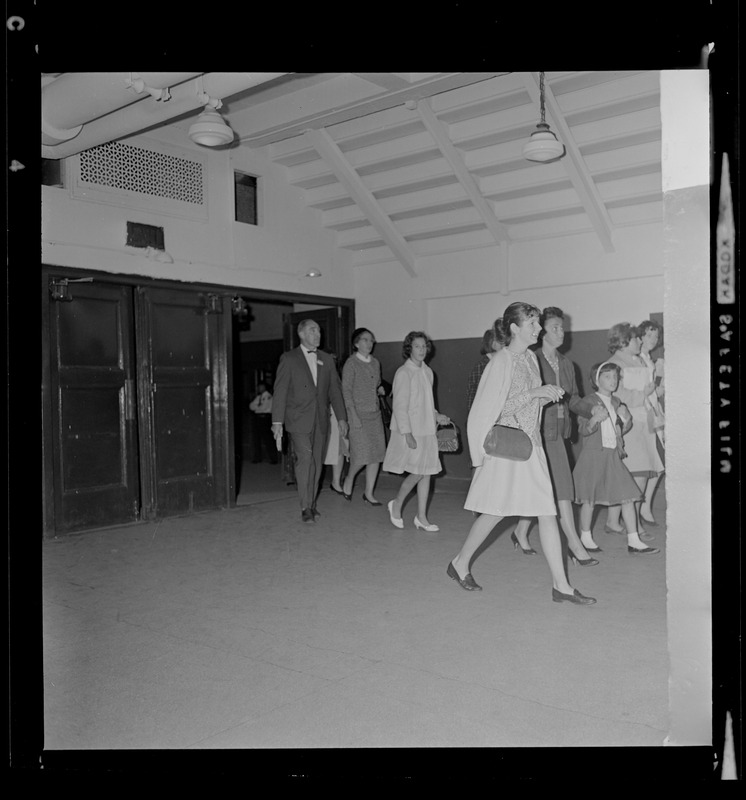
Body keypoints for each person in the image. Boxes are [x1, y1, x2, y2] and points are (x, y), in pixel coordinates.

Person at [448, 302, 595, 605]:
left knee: (547, 511)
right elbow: (492, 409)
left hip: (533, 447)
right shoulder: (501, 361)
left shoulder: (530, 358)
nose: (538, 329)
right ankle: (459, 563)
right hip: (509, 449)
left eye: (539, 324)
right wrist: (535, 393)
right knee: (493, 512)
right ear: (515, 328)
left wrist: (545, 396)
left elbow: (526, 404)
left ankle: (561, 586)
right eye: (533, 324)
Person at [511, 307, 597, 565]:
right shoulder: (530, 359)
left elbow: (574, 400)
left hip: (558, 435)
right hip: (537, 434)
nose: (562, 332)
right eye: (555, 327)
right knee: (547, 489)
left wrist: (592, 408)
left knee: (560, 489)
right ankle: (573, 543)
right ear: (542, 331)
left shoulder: (567, 364)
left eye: (563, 327)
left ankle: (526, 532)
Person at [572, 362, 659, 555]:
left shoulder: (617, 402)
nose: (613, 381)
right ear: (597, 380)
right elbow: (583, 429)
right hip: (593, 456)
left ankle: (634, 541)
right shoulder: (588, 401)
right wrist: (594, 419)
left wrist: (626, 419)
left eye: (615, 377)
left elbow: (621, 429)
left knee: (628, 496)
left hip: (613, 455)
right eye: (607, 377)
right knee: (589, 499)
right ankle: (585, 538)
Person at [271, 319, 348, 524]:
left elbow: (335, 391)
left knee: (316, 462)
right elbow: (280, 392)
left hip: (321, 419)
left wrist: (342, 418)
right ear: (301, 334)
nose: (318, 334)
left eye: (319, 331)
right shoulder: (288, 358)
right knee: (305, 459)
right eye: (312, 331)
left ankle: (312, 503)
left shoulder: (326, 359)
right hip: (297, 420)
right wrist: (277, 422)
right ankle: (305, 506)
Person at [382, 331, 451, 532]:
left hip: (427, 429)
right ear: (409, 349)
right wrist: (407, 433)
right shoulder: (404, 373)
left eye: (424, 346)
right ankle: (396, 503)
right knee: (418, 472)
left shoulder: (428, 372)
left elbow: (427, 404)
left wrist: (437, 416)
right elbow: (400, 407)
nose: (421, 350)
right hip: (412, 430)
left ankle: (421, 517)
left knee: (427, 472)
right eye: (417, 346)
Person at [603, 323, 664, 537]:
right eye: (636, 338)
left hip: (643, 421)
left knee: (639, 474)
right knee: (637, 475)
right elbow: (618, 396)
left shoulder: (636, 360)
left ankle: (615, 521)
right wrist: (643, 394)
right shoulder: (614, 364)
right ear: (624, 341)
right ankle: (634, 524)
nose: (640, 341)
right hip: (629, 424)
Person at [340, 328, 387, 504]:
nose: (369, 343)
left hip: (374, 414)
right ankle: (349, 479)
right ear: (356, 343)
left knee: (376, 454)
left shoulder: (375, 362)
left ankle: (369, 493)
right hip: (357, 414)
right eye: (365, 340)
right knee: (360, 455)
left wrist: (379, 389)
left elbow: (375, 384)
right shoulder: (351, 364)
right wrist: (353, 415)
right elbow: (346, 391)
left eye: (371, 340)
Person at [636, 319, 665, 522]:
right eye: (649, 335)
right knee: (649, 464)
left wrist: (662, 378)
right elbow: (642, 391)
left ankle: (644, 506)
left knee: (659, 462)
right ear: (640, 337)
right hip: (642, 415)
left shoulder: (649, 359)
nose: (653, 339)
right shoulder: (637, 359)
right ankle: (639, 510)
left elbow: (656, 391)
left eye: (656, 336)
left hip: (654, 413)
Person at [466, 326, 504, 411]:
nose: (504, 344)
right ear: (492, 343)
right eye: (500, 341)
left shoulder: (501, 363)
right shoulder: (481, 366)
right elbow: (473, 395)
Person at [248, 381, 278, 464]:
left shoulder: (268, 396)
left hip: (265, 418)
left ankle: (273, 458)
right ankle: (257, 457)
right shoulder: (259, 397)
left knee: (267, 439)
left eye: (260, 387)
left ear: (264, 387)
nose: (258, 388)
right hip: (258, 418)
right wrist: (258, 407)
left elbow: (264, 407)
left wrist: (257, 407)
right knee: (256, 438)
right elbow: (251, 406)